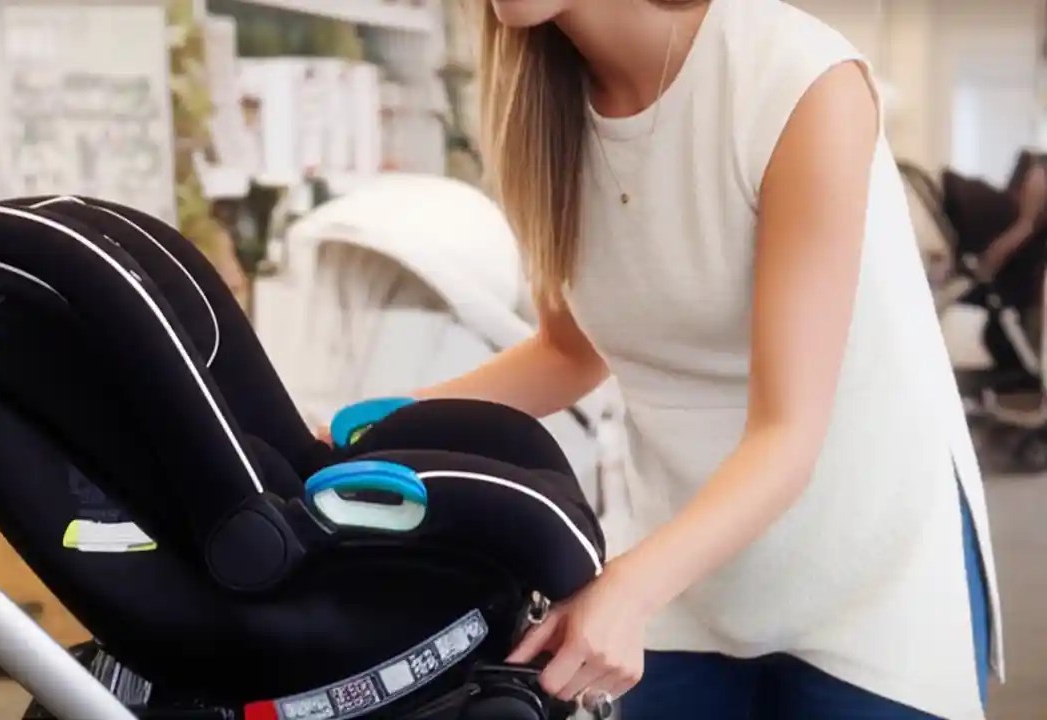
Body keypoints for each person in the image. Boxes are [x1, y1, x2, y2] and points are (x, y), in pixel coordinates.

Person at [321, 0, 1000, 717]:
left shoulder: (799, 81)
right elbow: (568, 352)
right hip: (691, 573)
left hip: (870, 581)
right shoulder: (541, 109)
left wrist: (629, 587)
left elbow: (788, 434)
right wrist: (370, 434)